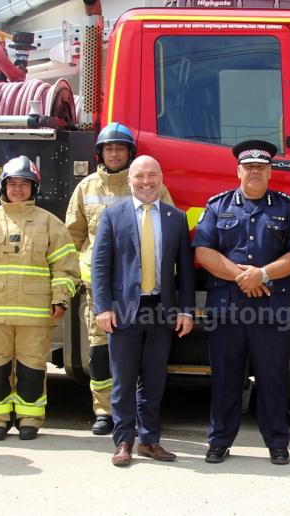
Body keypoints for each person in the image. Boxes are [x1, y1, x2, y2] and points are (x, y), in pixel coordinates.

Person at [193, 140, 290, 465]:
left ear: (270, 172)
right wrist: (242, 276)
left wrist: (263, 274)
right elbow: (203, 251)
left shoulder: (287, 208)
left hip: (271, 311)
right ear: (238, 171)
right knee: (225, 379)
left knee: (272, 379)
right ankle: (219, 441)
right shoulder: (218, 206)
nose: (255, 172)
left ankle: (277, 443)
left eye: (261, 167)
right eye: (249, 167)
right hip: (227, 309)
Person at [0, 156, 79, 441]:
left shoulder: (49, 223)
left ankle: (29, 419)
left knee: (32, 367)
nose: (18, 189)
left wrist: (60, 298)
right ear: (3, 186)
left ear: (34, 188)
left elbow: (65, 266)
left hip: (35, 313)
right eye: (12, 184)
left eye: (24, 184)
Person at [65, 122, 174, 436]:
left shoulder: (146, 185)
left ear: (129, 153)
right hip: (99, 287)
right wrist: (74, 276)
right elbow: (71, 237)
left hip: (139, 288)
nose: (114, 153)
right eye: (108, 148)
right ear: (100, 153)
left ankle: (136, 412)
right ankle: (104, 411)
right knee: (100, 352)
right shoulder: (86, 188)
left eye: (120, 148)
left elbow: (167, 232)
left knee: (136, 355)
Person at [91, 156, 195, 467]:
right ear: (129, 180)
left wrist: (186, 310)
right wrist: (103, 307)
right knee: (123, 379)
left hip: (161, 310)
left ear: (162, 178)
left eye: (152, 175)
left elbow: (186, 272)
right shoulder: (113, 215)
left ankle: (149, 441)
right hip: (123, 310)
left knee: (153, 378)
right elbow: (100, 265)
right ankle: (123, 440)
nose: (146, 181)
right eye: (140, 176)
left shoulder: (176, 218)